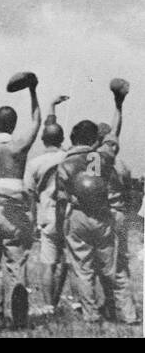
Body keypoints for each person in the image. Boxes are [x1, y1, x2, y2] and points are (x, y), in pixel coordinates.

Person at [0, 79, 41, 330]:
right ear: (14, 125)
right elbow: (37, 121)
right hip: (15, 211)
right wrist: (33, 91)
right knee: (16, 266)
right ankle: (19, 318)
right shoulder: (19, 146)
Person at [55, 115, 124, 323]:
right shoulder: (99, 159)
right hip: (102, 216)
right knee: (108, 267)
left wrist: (60, 226)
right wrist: (118, 106)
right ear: (95, 139)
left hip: (78, 216)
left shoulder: (66, 163)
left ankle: (91, 313)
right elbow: (113, 136)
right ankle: (114, 308)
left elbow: (61, 200)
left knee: (82, 268)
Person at [23, 99, 69, 315]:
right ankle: (58, 301)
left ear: (42, 140)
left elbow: (30, 196)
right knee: (67, 262)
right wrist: (52, 110)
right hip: (69, 214)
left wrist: (31, 222)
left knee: (48, 262)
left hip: (47, 215)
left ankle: (50, 305)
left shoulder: (35, 163)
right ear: (62, 139)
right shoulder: (70, 157)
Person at [97, 81, 136, 324]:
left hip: (107, 215)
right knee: (118, 263)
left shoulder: (96, 159)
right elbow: (115, 132)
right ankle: (117, 308)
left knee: (110, 267)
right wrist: (118, 106)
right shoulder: (121, 163)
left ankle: (124, 313)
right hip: (121, 214)